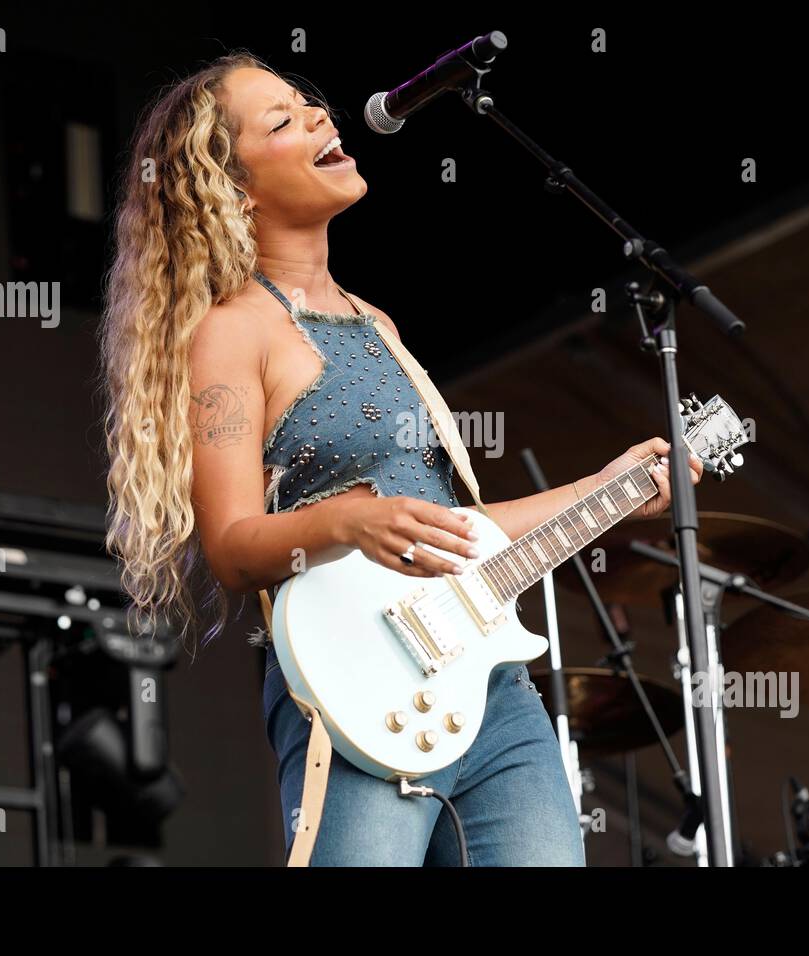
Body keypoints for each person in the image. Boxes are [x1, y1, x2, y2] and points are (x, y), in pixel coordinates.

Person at [99, 50, 702, 866]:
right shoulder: (233, 331)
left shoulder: (376, 322)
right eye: (283, 120)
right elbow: (233, 545)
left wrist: (608, 490)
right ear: (231, 187)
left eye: (311, 104)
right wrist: (346, 518)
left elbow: (455, 531)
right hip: (355, 692)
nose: (320, 117)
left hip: (490, 694)